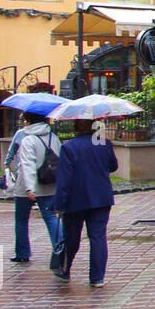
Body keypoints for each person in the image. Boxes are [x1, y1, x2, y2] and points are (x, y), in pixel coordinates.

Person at [51, 119, 118, 287]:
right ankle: (97, 277)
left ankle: (65, 270)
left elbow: (64, 179)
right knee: (98, 237)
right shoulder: (105, 144)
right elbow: (113, 166)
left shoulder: (69, 147)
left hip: (76, 198)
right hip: (101, 197)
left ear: (75, 127)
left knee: (72, 236)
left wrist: (59, 204)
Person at [9, 113, 63, 264]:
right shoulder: (54, 138)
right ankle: (60, 249)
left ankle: (22, 252)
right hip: (49, 184)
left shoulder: (28, 140)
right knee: (51, 217)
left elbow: (28, 164)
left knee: (21, 220)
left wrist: (30, 188)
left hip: (26, 187)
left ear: (28, 121)